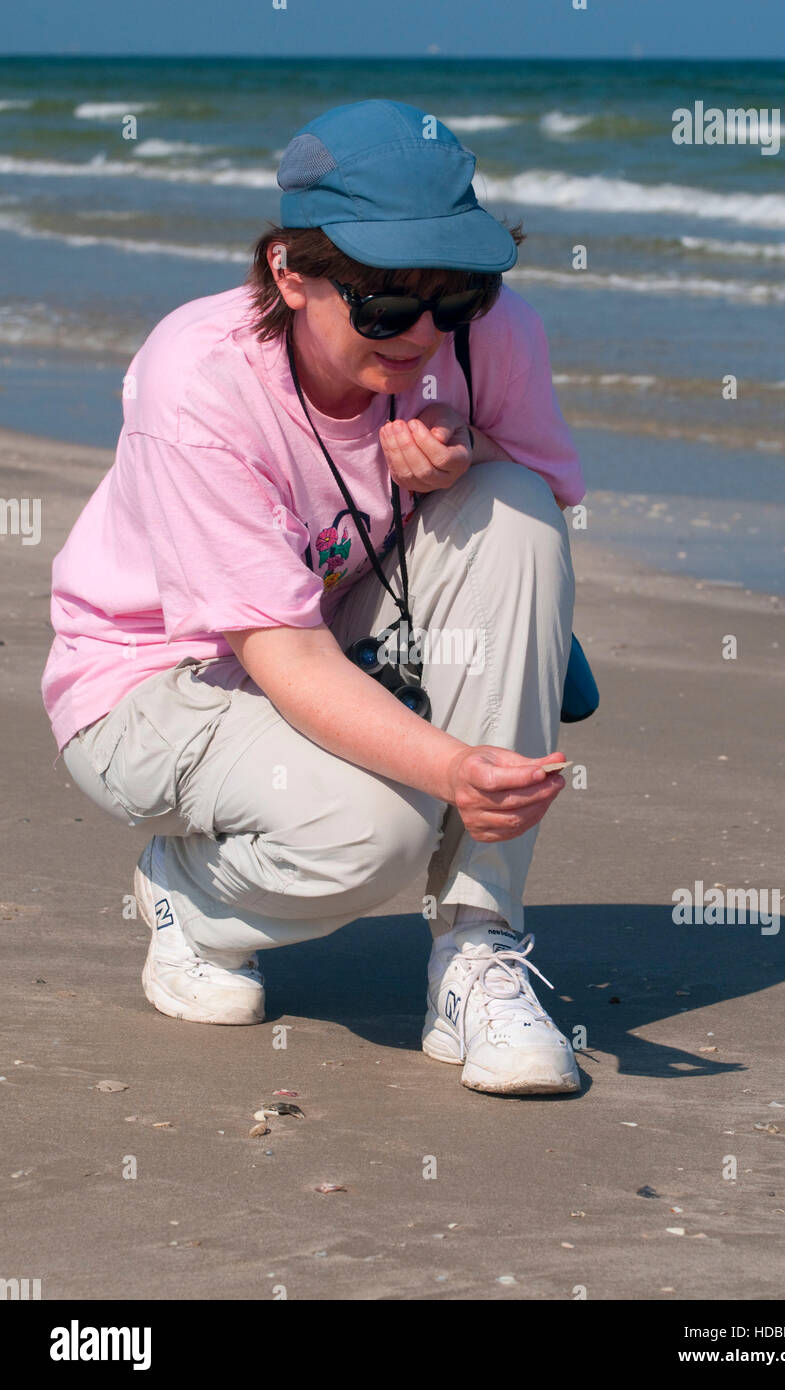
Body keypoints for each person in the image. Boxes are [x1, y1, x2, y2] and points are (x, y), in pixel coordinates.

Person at [42, 99, 586, 1097]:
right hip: (151, 679)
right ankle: (187, 896)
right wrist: (454, 765)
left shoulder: (487, 334)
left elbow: (538, 515)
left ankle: (477, 952)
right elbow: (282, 653)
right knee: (382, 830)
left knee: (509, 506)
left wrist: (460, 460)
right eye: (385, 303)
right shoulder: (197, 375)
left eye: (452, 294)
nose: (423, 332)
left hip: (345, 621)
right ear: (289, 273)